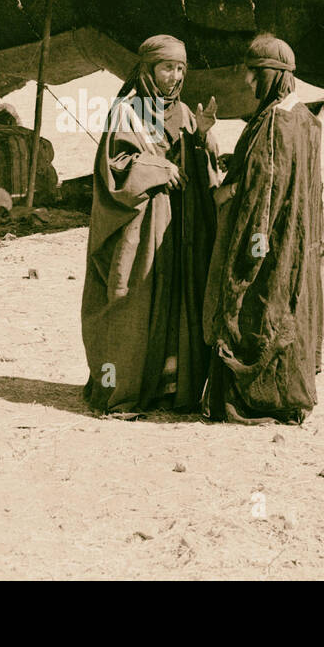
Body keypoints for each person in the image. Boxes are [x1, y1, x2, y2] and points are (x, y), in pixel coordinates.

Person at [81, 35, 221, 415]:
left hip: (179, 229)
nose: (174, 76)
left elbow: (203, 166)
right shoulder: (127, 111)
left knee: (176, 301)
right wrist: (160, 168)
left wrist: (203, 136)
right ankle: (125, 387)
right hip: (141, 228)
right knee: (134, 298)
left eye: (180, 68)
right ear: (148, 69)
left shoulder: (185, 113)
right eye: (166, 67)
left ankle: (169, 388)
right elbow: (116, 166)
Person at [201, 34, 324, 425]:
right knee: (287, 306)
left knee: (258, 310)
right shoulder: (305, 117)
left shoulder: (275, 122)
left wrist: (243, 240)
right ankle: (286, 396)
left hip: (267, 240)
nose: (249, 83)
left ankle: (257, 399)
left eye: (255, 75)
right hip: (296, 241)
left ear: (271, 75)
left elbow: (259, 190)